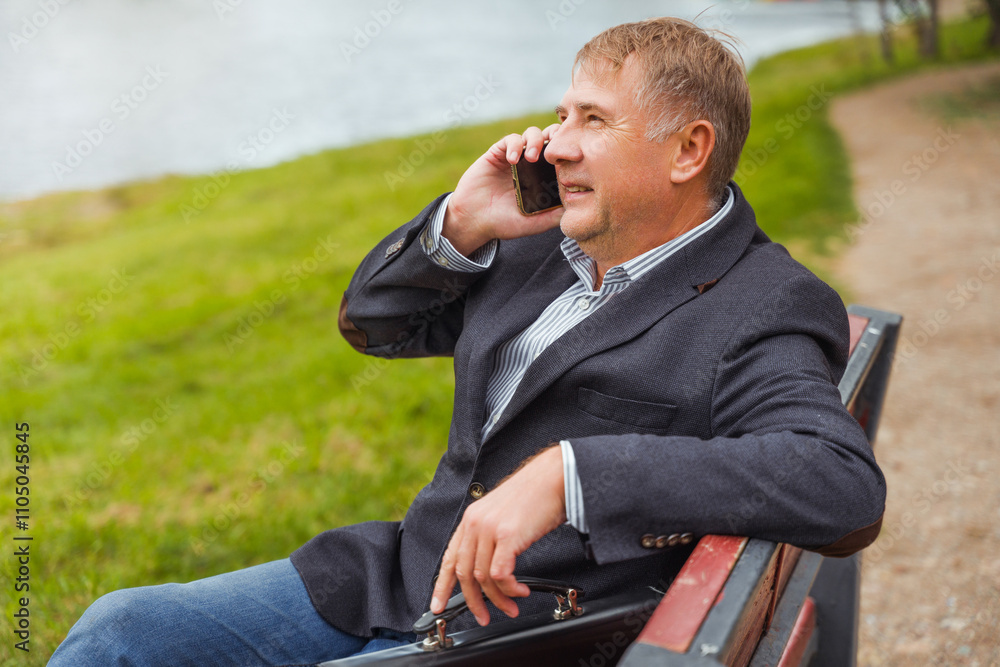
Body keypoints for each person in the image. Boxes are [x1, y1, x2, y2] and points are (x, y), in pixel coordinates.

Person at [49, 17, 885, 666]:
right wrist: (461, 223)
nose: (556, 143)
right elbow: (377, 327)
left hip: (531, 631)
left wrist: (570, 475)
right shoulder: (543, 247)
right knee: (120, 629)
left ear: (688, 150)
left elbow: (839, 482)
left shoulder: (761, 303)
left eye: (594, 119)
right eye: (561, 114)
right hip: (395, 577)